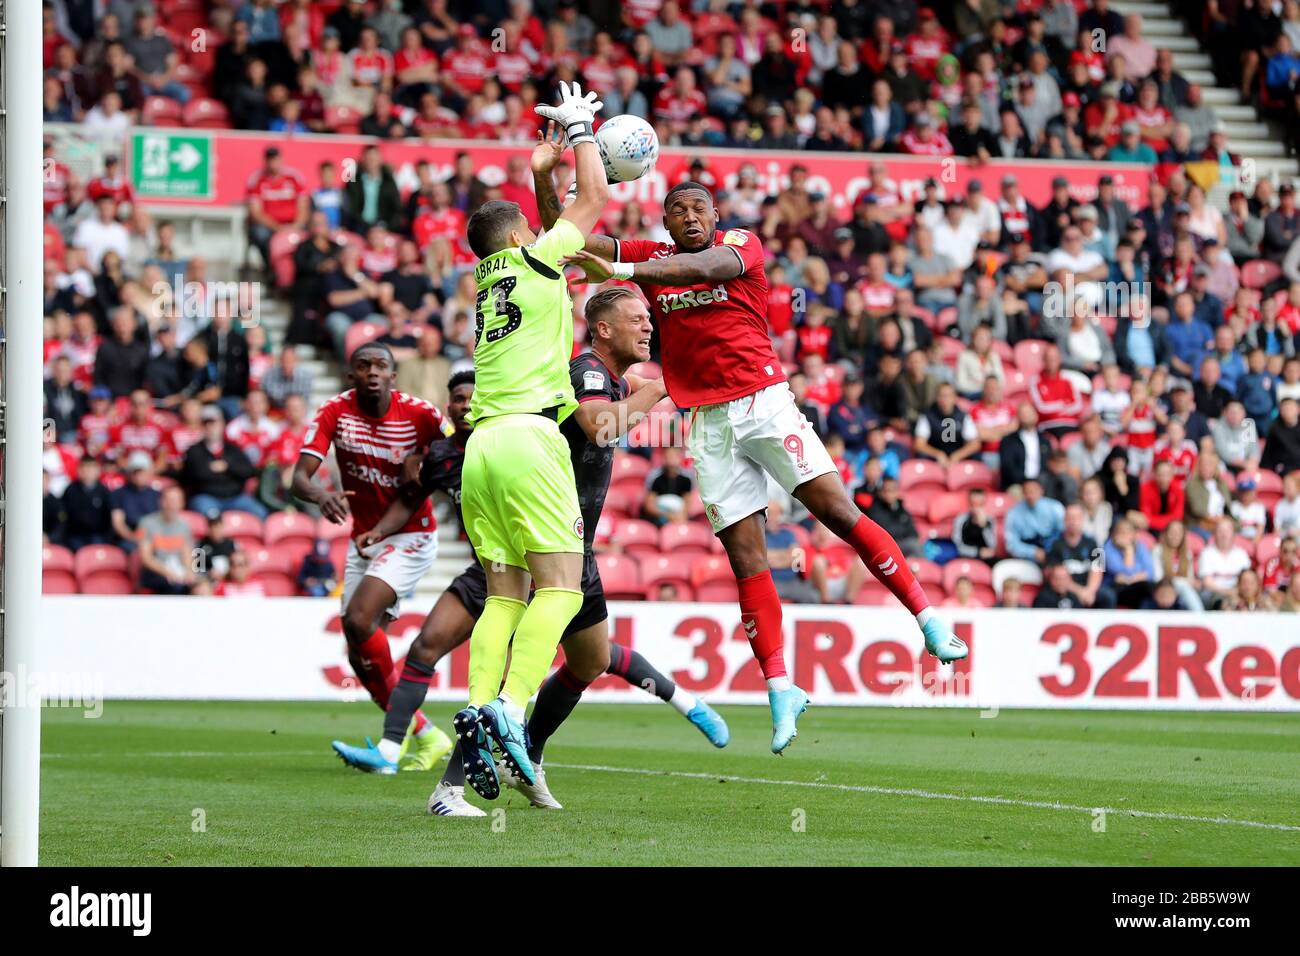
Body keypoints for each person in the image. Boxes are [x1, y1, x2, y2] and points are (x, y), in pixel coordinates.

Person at [552, 153, 965, 757]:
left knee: (838, 511)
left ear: (716, 213)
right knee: (747, 558)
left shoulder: (738, 245)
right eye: (676, 210)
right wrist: (561, 179)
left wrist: (619, 264)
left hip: (764, 402)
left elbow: (703, 265)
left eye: (698, 207)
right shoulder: (650, 258)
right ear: (664, 222)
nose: (688, 215)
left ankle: (928, 619)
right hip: (708, 424)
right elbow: (567, 241)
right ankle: (780, 686)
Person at [336, 307, 726, 814]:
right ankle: (451, 783)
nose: (648, 326)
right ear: (604, 329)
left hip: (571, 541)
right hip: (543, 534)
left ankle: (529, 756)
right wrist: (660, 388)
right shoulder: (586, 370)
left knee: (589, 659)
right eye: (637, 318)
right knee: (507, 668)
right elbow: (599, 425)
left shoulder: (613, 377)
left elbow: (627, 400)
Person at [290, 342, 449, 770]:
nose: (372, 372)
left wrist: (425, 466)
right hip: (365, 539)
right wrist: (321, 494)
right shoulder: (334, 412)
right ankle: (427, 736)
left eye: (381, 366)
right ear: (350, 376)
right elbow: (298, 479)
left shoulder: (421, 415)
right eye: (364, 366)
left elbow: (453, 456)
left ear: (393, 377)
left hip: (411, 535)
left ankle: (388, 751)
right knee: (358, 653)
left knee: (359, 620)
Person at [137, 486, 197, 595]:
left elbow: (187, 553)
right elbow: (146, 558)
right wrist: (167, 572)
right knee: (175, 586)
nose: (172, 504)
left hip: (178, 570)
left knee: (200, 586)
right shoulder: (146, 523)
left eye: (176, 500)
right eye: (169, 500)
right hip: (156, 572)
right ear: (162, 501)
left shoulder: (184, 526)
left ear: (182, 503)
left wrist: (189, 572)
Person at [1197, 517, 1253, 608]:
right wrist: (1228, 592)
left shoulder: (1241, 554)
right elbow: (1207, 583)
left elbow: (1247, 578)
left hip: (1238, 592)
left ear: (1233, 534)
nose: (1224, 534)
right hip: (1214, 594)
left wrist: (1238, 592)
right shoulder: (1206, 553)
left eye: (1227, 531)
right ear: (1214, 534)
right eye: (1220, 531)